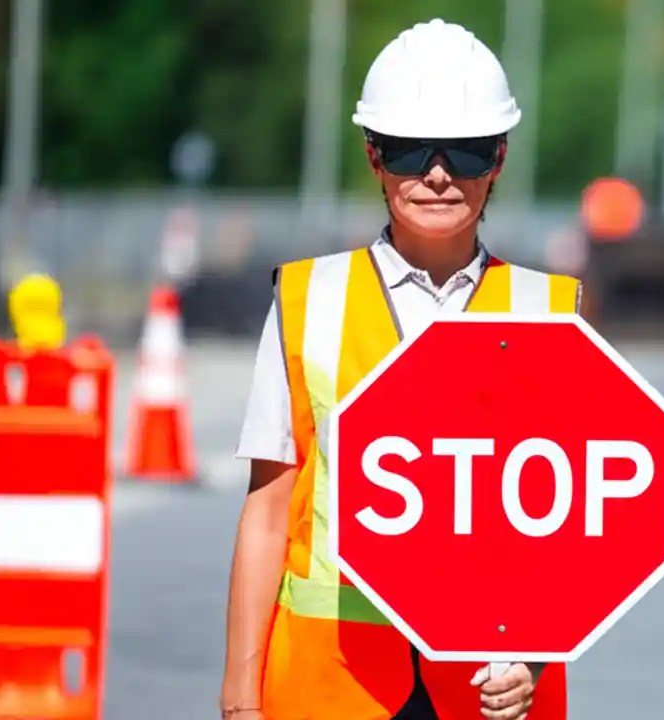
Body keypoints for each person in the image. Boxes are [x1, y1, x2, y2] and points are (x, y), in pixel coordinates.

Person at [219, 18, 577, 720]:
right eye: (412, 151)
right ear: (374, 156)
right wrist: (240, 697)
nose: (438, 174)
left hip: (493, 688)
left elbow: (576, 525)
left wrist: (533, 657)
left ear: (499, 159)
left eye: (467, 153)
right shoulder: (306, 301)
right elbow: (268, 511)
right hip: (331, 684)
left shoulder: (549, 311)